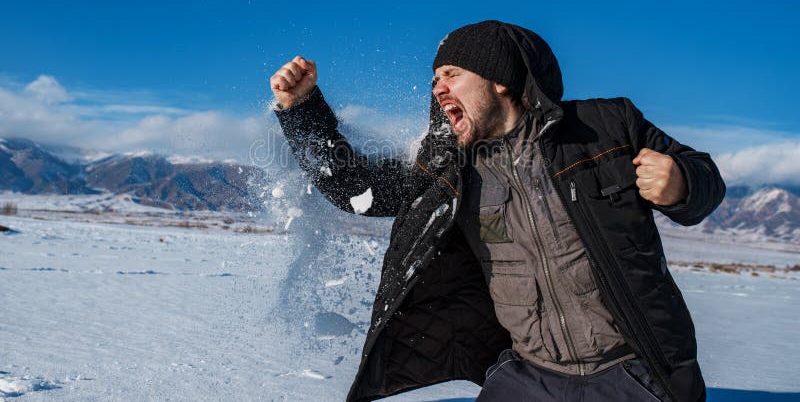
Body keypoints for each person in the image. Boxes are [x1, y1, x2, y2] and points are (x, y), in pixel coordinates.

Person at [271, 20, 725, 402]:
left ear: (499, 78)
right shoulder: (450, 170)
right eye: (434, 80)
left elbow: (706, 179)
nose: (437, 88)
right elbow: (358, 188)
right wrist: (303, 110)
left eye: (450, 74)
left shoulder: (605, 126)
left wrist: (682, 182)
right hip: (529, 377)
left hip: (634, 373)